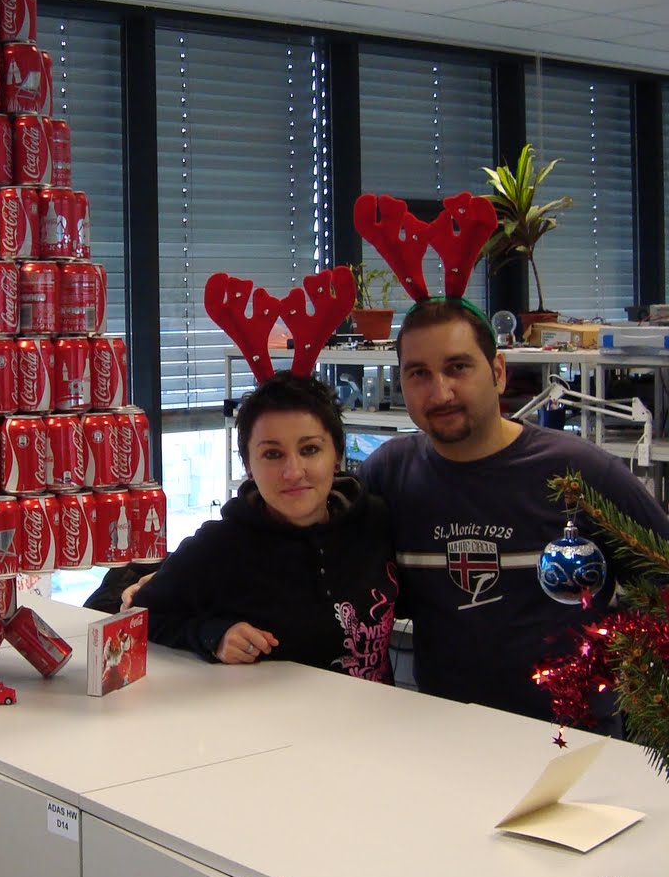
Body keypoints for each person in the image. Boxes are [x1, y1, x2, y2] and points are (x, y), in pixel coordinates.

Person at [359, 297, 669, 719]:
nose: (440, 392)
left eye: (458, 367)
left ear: (498, 373)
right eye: (419, 374)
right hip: (440, 732)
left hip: (569, 736)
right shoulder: (388, 474)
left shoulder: (581, 472)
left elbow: (662, 577)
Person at [133, 373, 396, 678]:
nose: (293, 472)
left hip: (378, 719)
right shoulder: (221, 545)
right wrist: (212, 635)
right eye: (272, 454)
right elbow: (143, 613)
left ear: (336, 455)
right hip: (273, 722)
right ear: (248, 466)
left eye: (310, 449)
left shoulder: (375, 521)